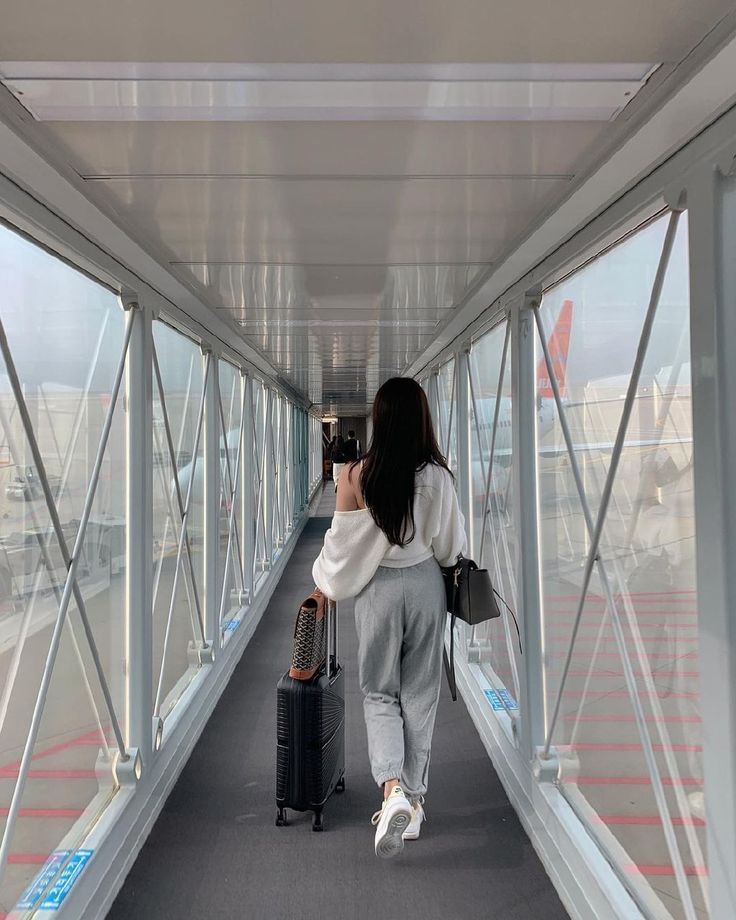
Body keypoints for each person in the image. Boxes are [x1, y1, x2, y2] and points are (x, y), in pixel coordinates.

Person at [313, 378, 466, 859]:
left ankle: (392, 789)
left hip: (378, 591)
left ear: (379, 420)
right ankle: (415, 805)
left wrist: (324, 582)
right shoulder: (437, 477)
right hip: (424, 585)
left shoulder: (357, 476)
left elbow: (340, 546)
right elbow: (450, 547)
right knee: (420, 693)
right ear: (422, 418)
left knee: (379, 691)